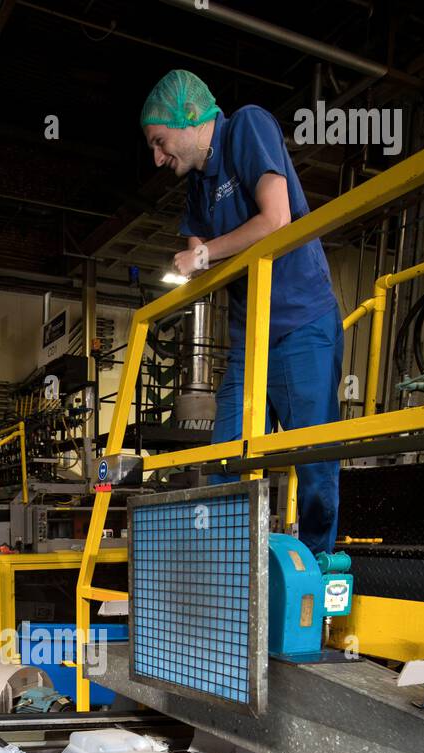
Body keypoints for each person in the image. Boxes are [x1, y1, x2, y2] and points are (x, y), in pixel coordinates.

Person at [140, 70, 343, 555]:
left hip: (300, 322)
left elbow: (276, 219)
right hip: (248, 339)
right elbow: (193, 245)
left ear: (190, 118)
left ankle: (315, 578)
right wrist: (200, 251)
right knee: (225, 460)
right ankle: (227, 576)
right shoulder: (197, 183)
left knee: (314, 462)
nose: (157, 156)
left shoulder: (247, 127)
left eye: (160, 141)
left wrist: (206, 254)